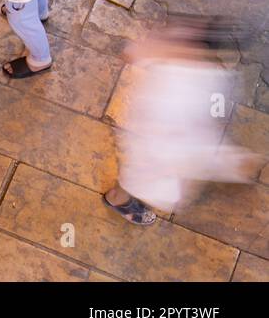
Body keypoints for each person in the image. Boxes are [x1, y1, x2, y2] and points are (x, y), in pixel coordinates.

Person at [103, 16, 263, 226]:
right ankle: (117, 199)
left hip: (152, 144)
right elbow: (191, 144)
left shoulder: (174, 64)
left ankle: (120, 194)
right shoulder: (189, 87)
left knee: (138, 174)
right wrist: (230, 164)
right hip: (156, 152)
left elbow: (136, 52)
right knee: (139, 179)